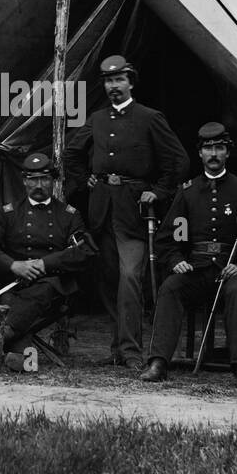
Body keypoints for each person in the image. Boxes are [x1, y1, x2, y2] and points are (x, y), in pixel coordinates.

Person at [65, 54, 189, 370]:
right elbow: (72, 154)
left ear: (130, 82)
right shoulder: (97, 119)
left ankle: (133, 351)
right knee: (107, 279)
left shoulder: (150, 117)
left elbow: (178, 161)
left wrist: (157, 191)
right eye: (108, 81)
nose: (113, 86)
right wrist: (85, 180)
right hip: (101, 208)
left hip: (134, 210)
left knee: (130, 277)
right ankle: (118, 349)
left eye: (119, 79)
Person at [140, 123, 237, 389]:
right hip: (195, 271)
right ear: (199, 154)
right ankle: (158, 362)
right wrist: (176, 261)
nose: (214, 154)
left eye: (219, 148)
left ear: (227, 153)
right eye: (208, 148)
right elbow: (168, 239)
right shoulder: (187, 192)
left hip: (228, 272)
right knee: (170, 288)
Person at [0, 152, 96, 372]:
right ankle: (19, 354)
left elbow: (85, 251)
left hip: (49, 287)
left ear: (53, 180)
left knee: (43, 290)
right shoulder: (7, 213)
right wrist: (12, 265)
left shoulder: (68, 215)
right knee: (9, 299)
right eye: (33, 179)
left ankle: (2, 334)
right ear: (24, 181)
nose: (39, 185)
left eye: (45, 179)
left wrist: (46, 263)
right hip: (12, 282)